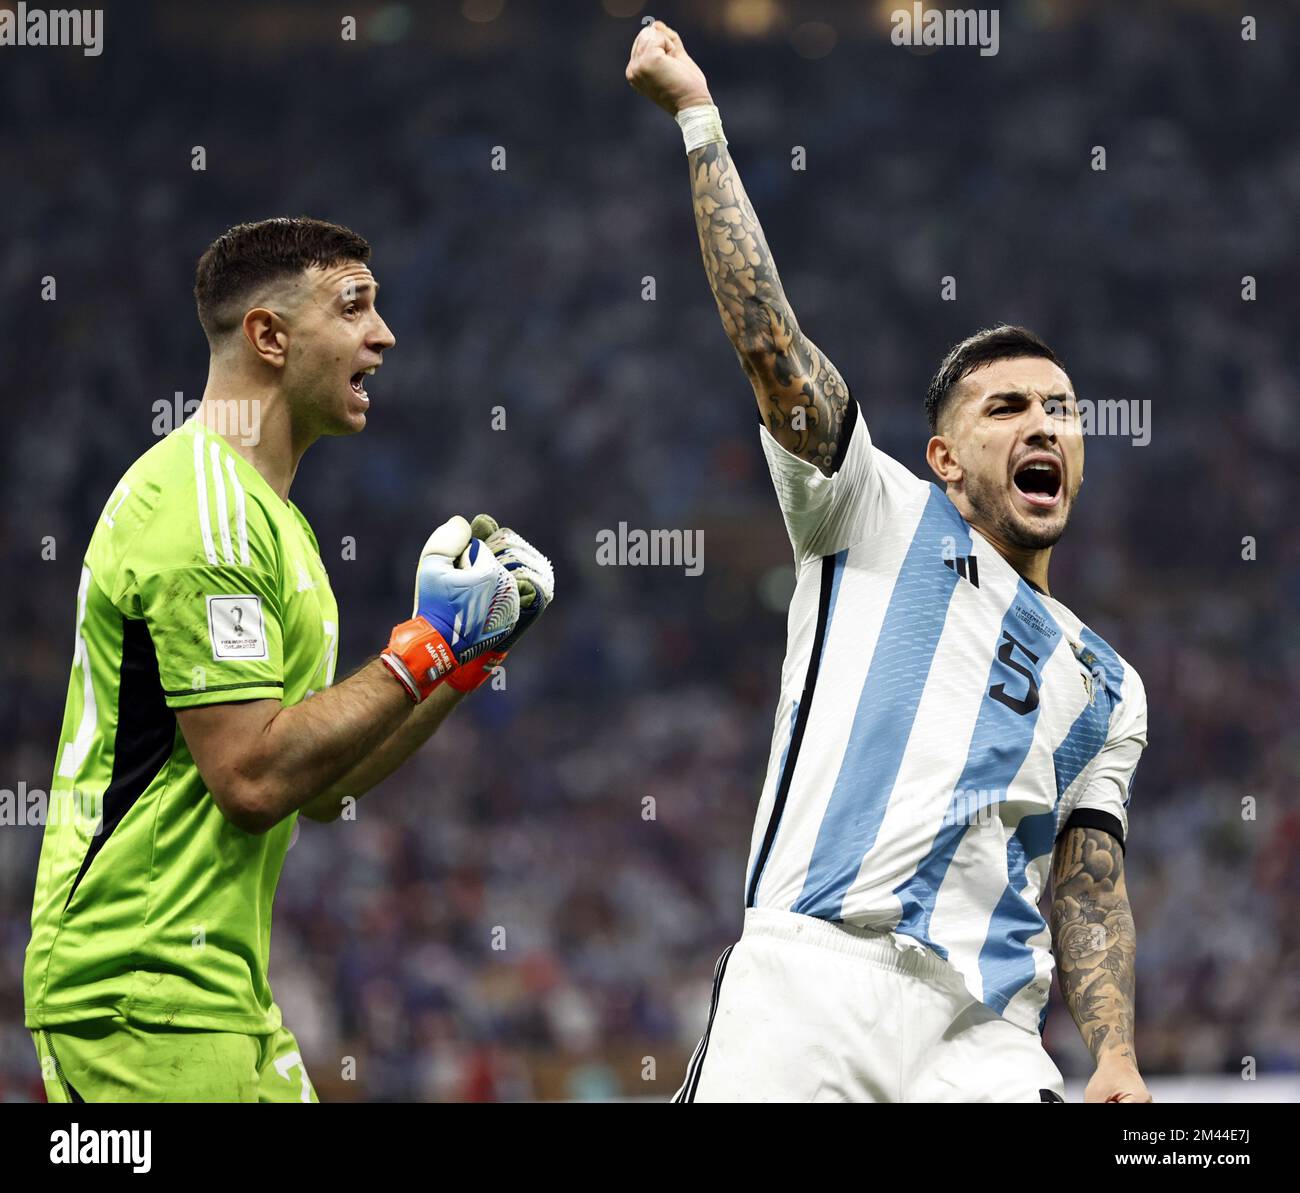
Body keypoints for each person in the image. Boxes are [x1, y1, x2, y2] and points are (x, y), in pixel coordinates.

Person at [627, 22, 1149, 1103]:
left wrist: (1115, 1053)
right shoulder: (872, 509)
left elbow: (1087, 882)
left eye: (1061, 408)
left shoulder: (1108, 683)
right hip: (813, 978)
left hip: (987, 1032)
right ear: (946, 458)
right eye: (1007, 407)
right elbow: (772, 345)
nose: (1043, 422)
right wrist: (698, 120)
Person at [24, 216, 554, 1102]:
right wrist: (419, 647)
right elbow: (253, 780)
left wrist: (463, 656)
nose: (383, 335)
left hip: (222, 997)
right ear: (269, 336)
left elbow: (317, 788)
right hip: (138, 996)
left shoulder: (275, 526)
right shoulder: (203, 507)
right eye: (354, 307)